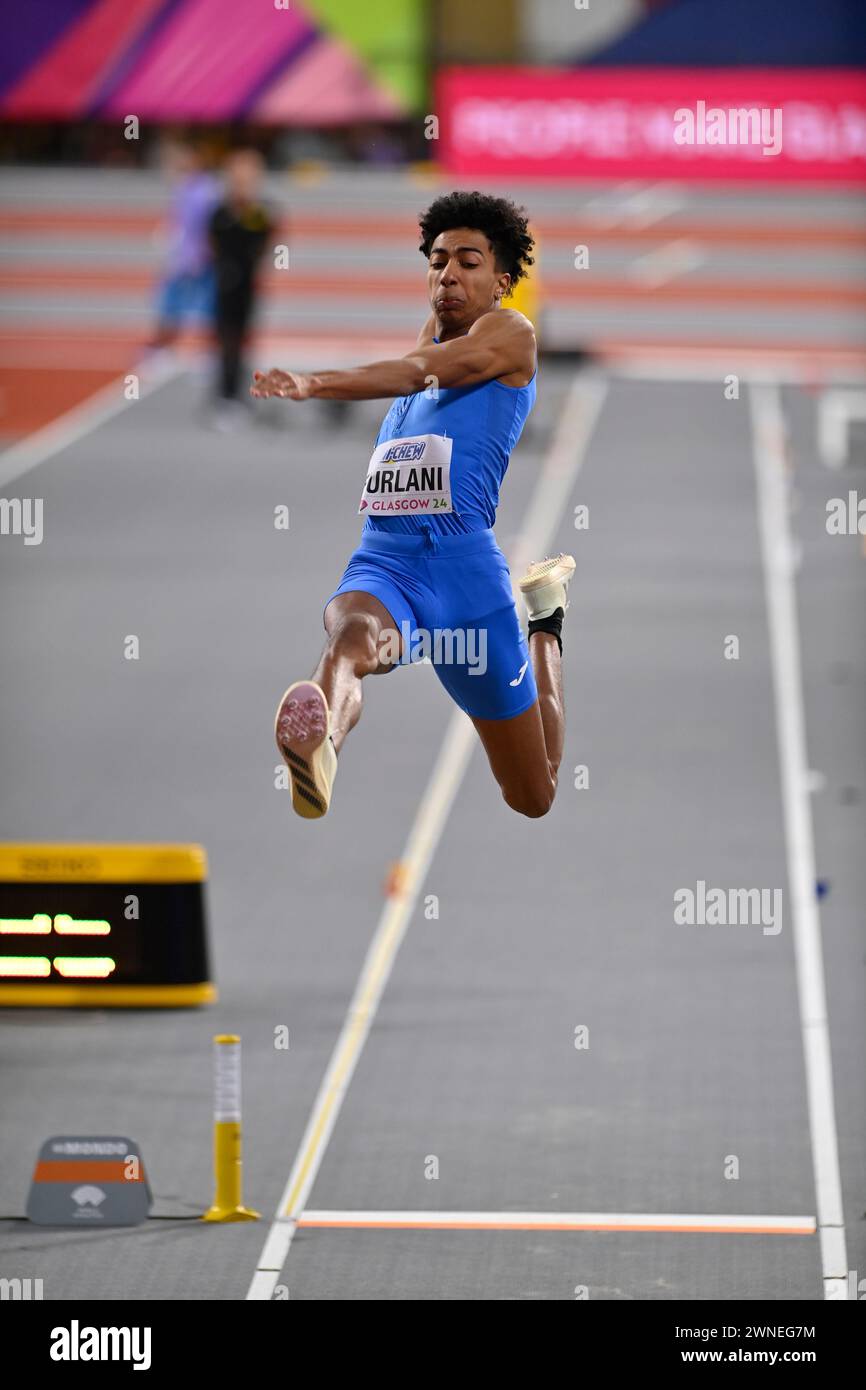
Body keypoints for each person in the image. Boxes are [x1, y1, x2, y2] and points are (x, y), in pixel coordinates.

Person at [251, 191, 575, 821]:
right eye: (438, 259)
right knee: (350, 642)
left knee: (533, 795)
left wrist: (316, 383)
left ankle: (547, 622)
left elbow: (413, 374)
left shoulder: (511, 335)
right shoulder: (427, 340)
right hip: (385, 559)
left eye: (469, 262)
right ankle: (320, 748)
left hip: (466, 580)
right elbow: (417, 365)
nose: (447, 273)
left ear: (501, 280)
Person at [208, 149, 275, 427]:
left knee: (243, 339)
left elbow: (266, 239)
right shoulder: (221, 213)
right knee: (225, 338)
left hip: (247, 284)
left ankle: (237, 392)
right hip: (224, 283)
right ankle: (224, 396)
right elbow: (213, 242)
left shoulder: (259, 213)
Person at [148, 140, 219, 351]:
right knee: (170, 307)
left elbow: (208, 226)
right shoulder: (183, 188)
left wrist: (203, 254)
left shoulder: (208, 190)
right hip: (182, 259)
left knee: (210, 310)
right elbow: (178, 222)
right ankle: (161, 349)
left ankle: (213, 354)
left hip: (201, 259)